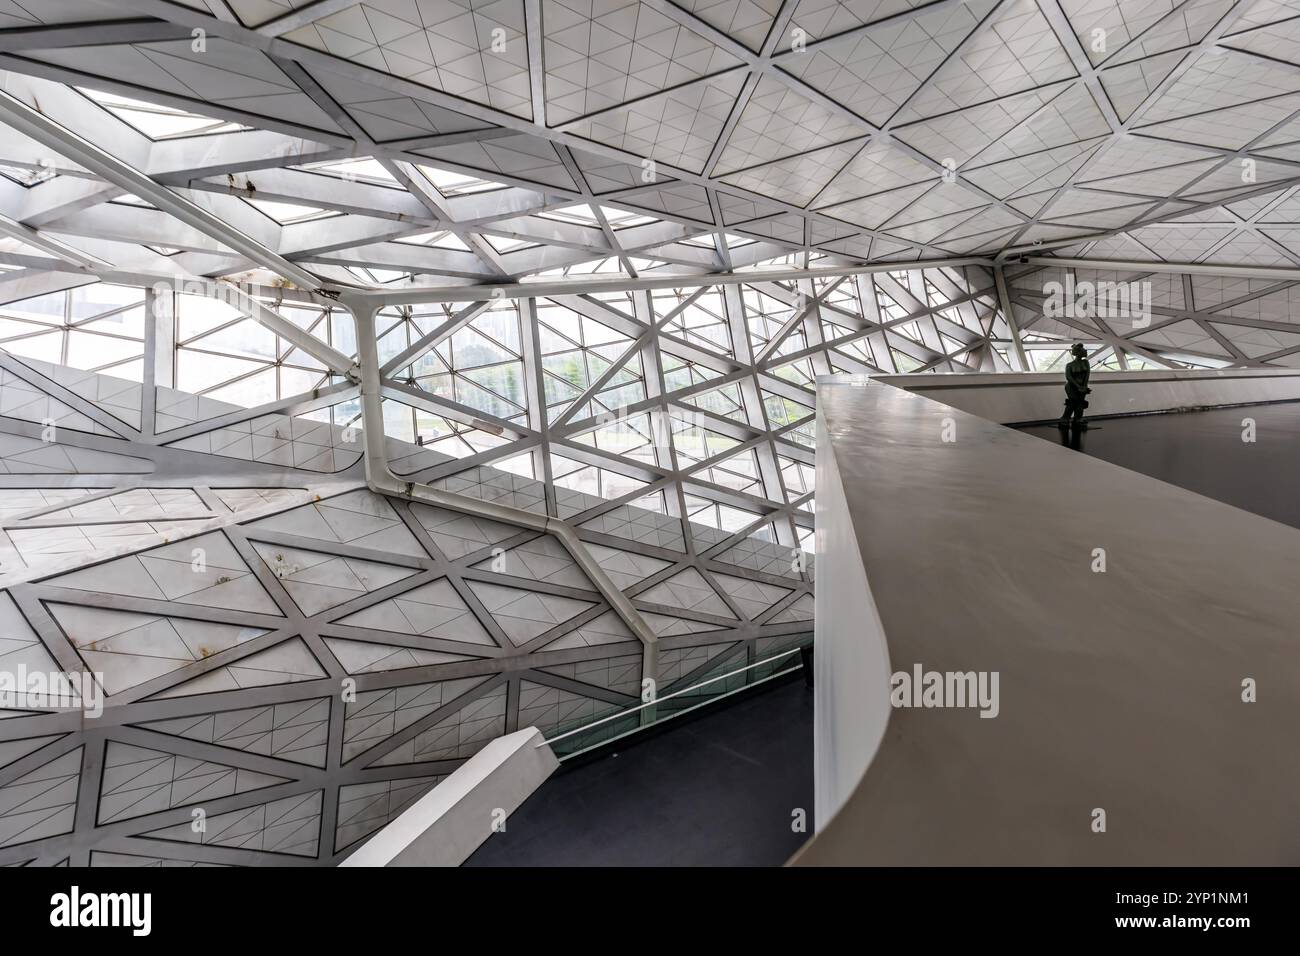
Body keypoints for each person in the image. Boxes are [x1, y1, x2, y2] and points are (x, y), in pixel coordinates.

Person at [1058, 343, 1090, 427]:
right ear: (1078, 352)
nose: (1085, 352)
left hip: (1082, 387)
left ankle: (1078, 418)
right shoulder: (1069, 365)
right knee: (1072, 402)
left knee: (1080, 403)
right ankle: (1065, 418)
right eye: (1083, 351)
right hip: (1071, 387)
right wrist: (1078, 386)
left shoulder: (1086, 362)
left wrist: (1084, 386)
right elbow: (1069, 377)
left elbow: (1087, 375)